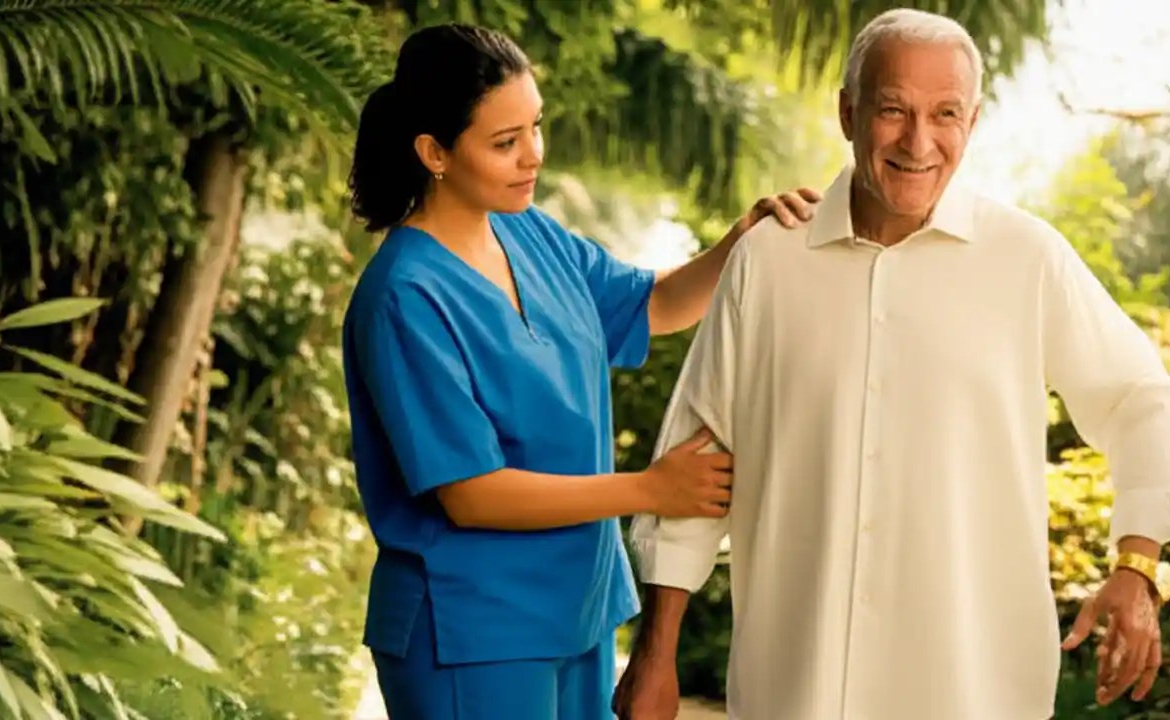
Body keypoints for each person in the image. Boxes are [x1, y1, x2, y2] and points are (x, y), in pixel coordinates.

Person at [613, 8, 1170, 720]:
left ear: (972, 122)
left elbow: (1140, 398)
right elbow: (696, 465)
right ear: (848, 113)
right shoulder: (765, 262)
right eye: (893, 110)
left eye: (945, 113)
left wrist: (1137, 565)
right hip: (794, 690)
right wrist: (655, 655)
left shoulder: (1027, 258)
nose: (918, 142)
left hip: (974, 695)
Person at [340, 23, 820, 720]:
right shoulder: (405, 296)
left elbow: (653, 304)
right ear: (434, 153)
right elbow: (471, 495)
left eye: (535, 127)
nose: (533, 154)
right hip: (472, 633)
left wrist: (741, 244)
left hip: (579, 611)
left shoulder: (527, 232)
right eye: (505, 142)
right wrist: (651, 488)